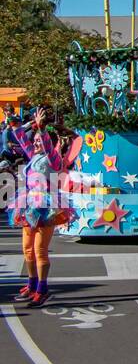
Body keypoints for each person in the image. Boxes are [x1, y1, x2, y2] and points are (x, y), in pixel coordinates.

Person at [3, 108, 74, 307]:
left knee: (39, 250)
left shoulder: (53, 158)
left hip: (47, 207)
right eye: (34, 140)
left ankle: (42, 289)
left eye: (38, 140)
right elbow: (21, 139)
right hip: (29, 205)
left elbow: (49, 148)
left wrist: (42, 131)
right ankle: (31, 284)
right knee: (27, 249)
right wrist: (19, 125)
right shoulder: (33, 155)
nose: (35, 143)